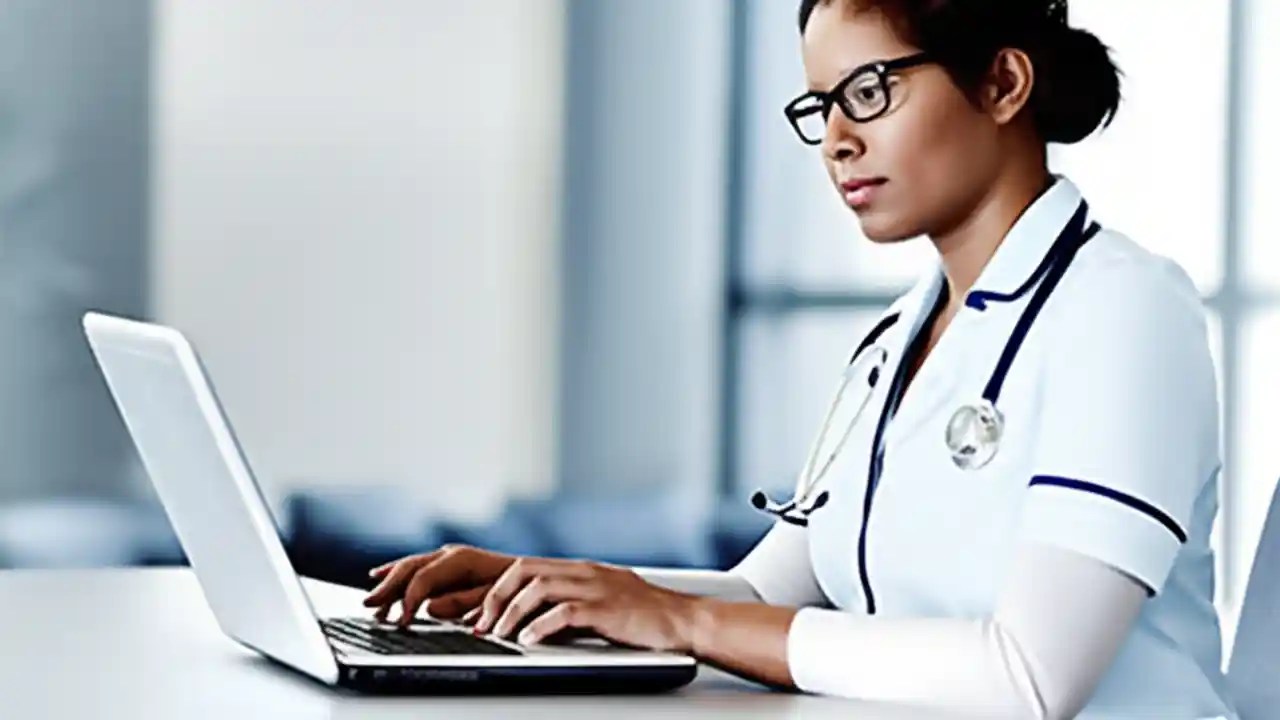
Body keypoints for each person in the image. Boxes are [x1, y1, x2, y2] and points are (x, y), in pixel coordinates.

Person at [362, 1, 1237, 716]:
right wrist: (561, 591)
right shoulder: (900, 338)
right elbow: (765, 595)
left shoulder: (1123, 309)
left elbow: (1028, 676)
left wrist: (681, 621)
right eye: (822, 108)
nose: (836, 142)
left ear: (1003, 83)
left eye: (868, 92)